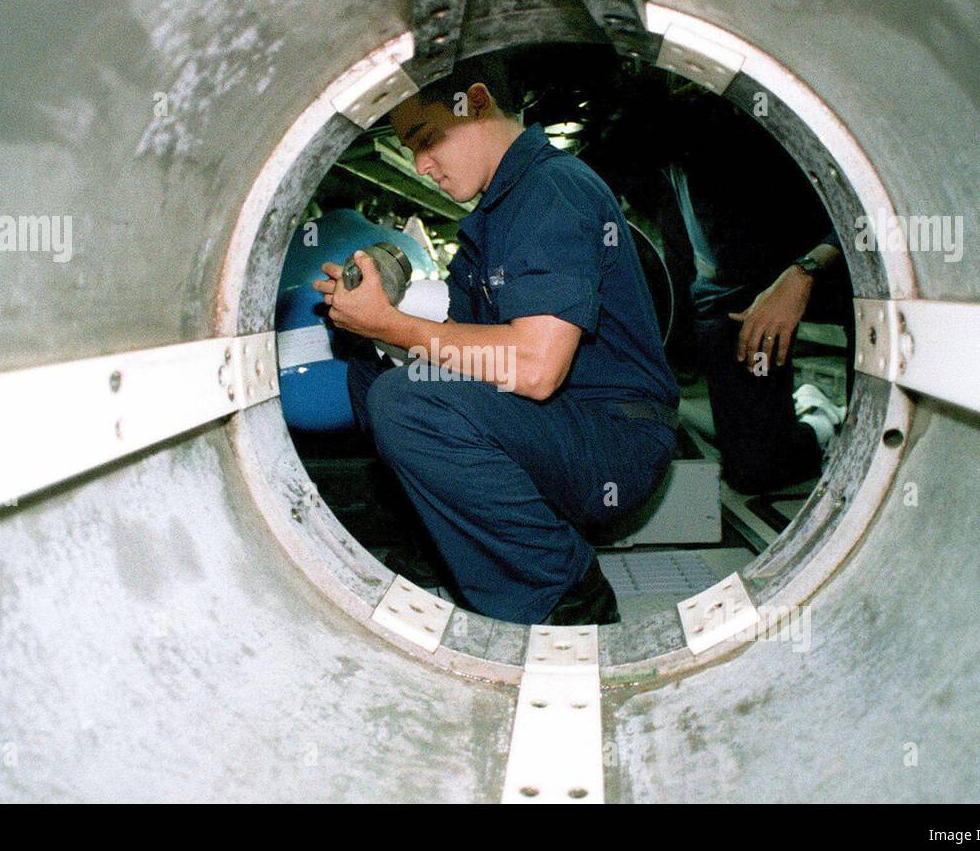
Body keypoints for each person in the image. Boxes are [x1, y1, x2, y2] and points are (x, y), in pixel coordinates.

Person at [311, 54, 680, 626]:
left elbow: (534, 367)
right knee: (372, 378)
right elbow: (460, 346)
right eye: (411, 149)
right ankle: (456, 538)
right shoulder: (492, 218)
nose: (421, 164)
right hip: (559, 424)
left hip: (615, 435)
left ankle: (563, 593)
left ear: (476, 102)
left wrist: (391, 325)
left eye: (426, 138)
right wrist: (373, 315)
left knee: (407, 400)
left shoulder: (553, 191)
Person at [664, 88, 851, 495]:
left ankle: (846, 422)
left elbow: (867, 209)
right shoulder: (673, 148)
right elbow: (689, 255)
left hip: (827, 270)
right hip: (740, 299)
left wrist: (805, 271)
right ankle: (818, 420)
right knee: (754, 470)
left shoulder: (769, 120)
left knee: (878, 295)